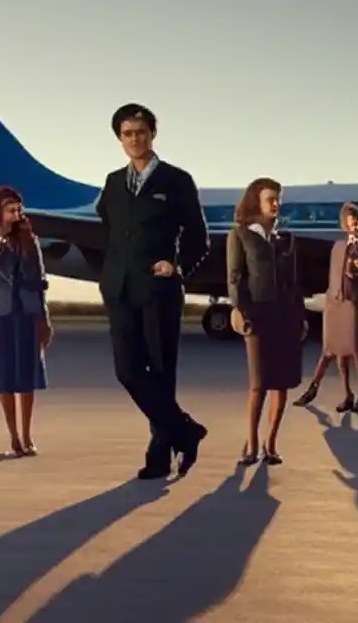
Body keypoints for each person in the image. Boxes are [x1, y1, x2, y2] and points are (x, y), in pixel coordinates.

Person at [96, 103, 210, 479]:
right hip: (120, 290)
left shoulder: (176, 180)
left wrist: (177, 265)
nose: (134, 139)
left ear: (153, 134)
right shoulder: (114, 182)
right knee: (127, 371)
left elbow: (198, 236)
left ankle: (159, 456)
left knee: (161, 373)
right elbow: (108, 229)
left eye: (141, 132)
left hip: (159, 290)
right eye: (127, 134)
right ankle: (185, 430)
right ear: (119, 138)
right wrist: (111, 271)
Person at [227, 177, 304, 466]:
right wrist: (240, 309)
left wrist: (300, 317)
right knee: (258, 384)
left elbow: (293, 283)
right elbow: (235, 278)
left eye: (277, 199)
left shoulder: (285, 240)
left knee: (282, 383)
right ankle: (251, 443)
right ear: (256, 202)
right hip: (257, 317)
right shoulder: (240, 235)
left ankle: (271, 442)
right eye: (270, 199)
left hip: (285, 316)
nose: (276, 204)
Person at [0, 186, 52, 457]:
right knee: (4, 376)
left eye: (19, 210)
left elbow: (39, 281)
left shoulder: (30, 240)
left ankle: (27, 435)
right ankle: (13, 437)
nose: (17, 215)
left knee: (26, 375)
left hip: (26, 311)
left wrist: (44, 318)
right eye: (11, 210)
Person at [292, 203, 358, 413]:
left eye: (356, 219)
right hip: (334, 304)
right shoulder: (337, 247)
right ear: (344, 223)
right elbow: (334, 275)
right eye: (350, 220)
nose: (354, 223)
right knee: (331, 351)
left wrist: (357, 255)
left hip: (351, 304)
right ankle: (335, 392)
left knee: (355, 350)